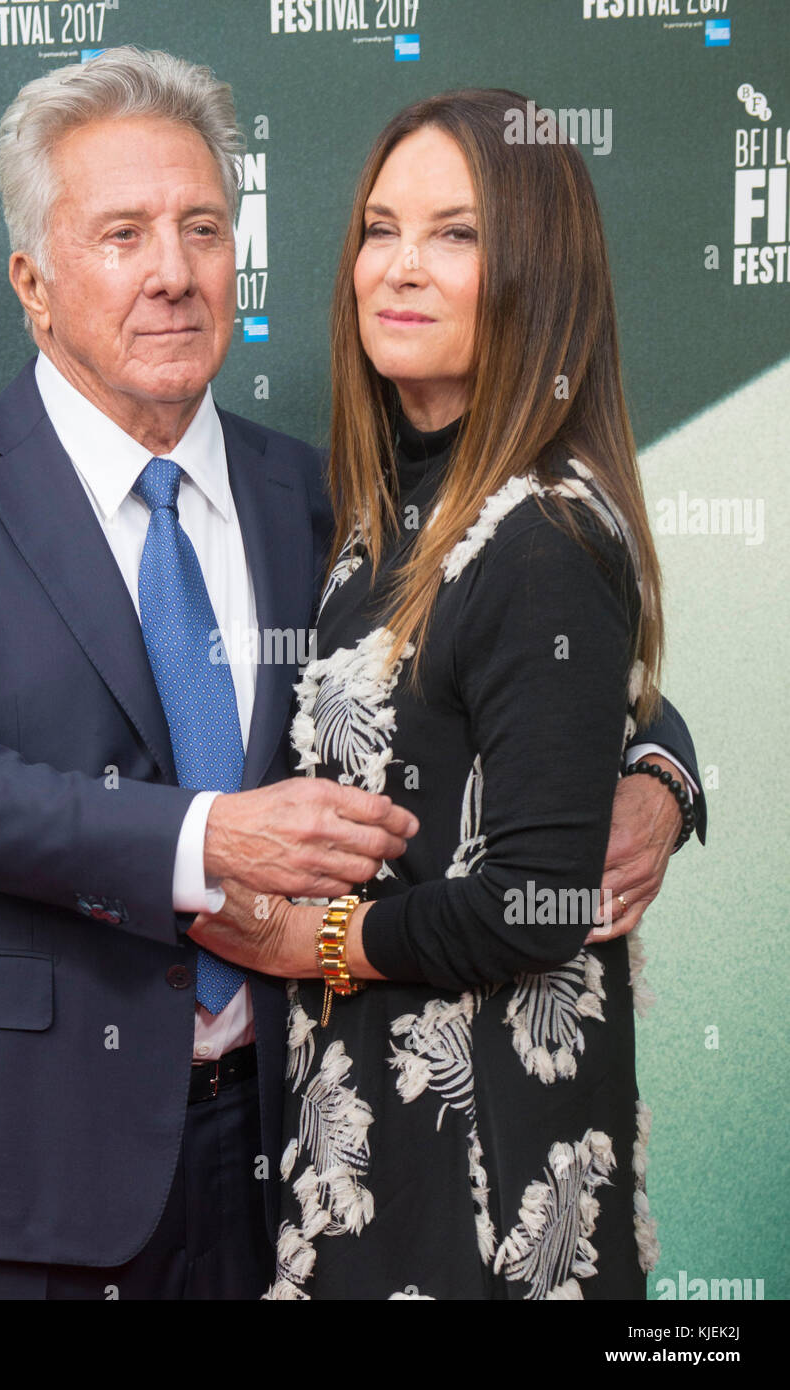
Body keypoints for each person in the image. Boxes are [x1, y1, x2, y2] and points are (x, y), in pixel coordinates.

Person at [0, 54, 700, 1301]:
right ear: (32, 282)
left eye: (200, 227)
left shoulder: (321, 493)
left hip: (299, 1150)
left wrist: (656, 763)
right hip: (28, 1158)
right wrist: (211, 837)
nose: (173, 272)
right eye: (122, 234)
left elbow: (502, 642)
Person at [187, 89, 705, 1300]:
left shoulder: (542, 532)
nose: (400, 267)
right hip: (368, 1137)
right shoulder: (373, 516)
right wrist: (656, 758)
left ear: (537, 269)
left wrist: (314, 937)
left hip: (487, 1171)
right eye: (379, 228)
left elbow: (535, 900)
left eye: (456, 234)